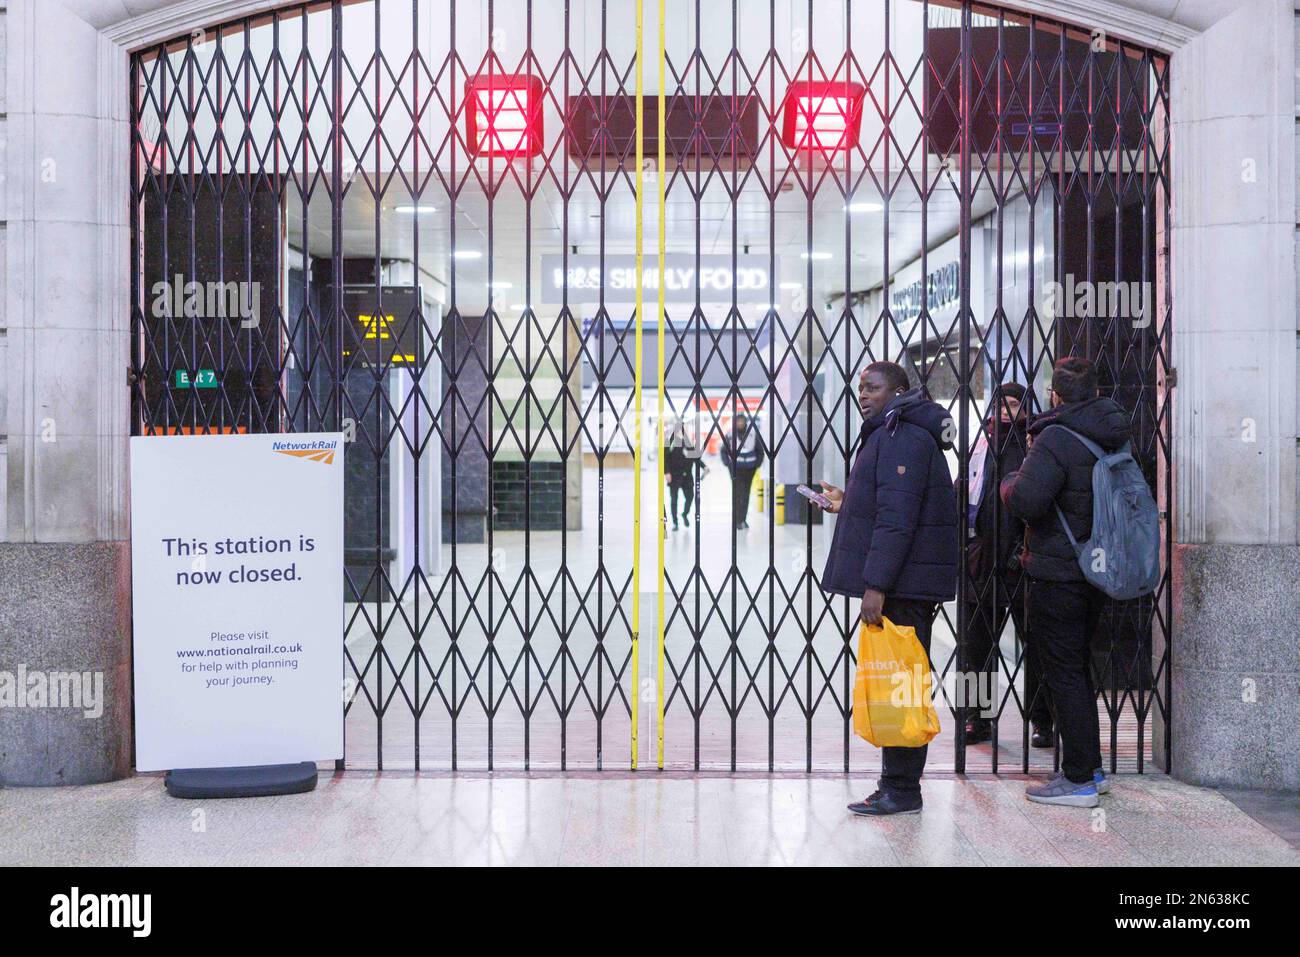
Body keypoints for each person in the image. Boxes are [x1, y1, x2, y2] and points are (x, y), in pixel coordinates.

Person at [817, 362, 959, 816]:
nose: (864, 394)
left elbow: (897, 521)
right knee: (899, 681)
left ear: (899, 390)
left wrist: (875, 586)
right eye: (860, 387)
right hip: (905, 581)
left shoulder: (905, 437)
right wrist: (848, 500)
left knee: (902, 684)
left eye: (873, 387)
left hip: (903, 586)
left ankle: (902, 789)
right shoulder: (893, 433)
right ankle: (895, 784)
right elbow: (887, 503)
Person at [1000, 356, 1131, 808]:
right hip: (1097, 568)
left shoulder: (1055, 437)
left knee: (1063, 673)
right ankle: (1090, 768)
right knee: (1078, 669)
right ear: (1094, 391)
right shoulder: (1113, 432)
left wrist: (1010, 481)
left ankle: (1078, 779)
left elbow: (1027, 500)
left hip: (1059, 571)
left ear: (1055, 394)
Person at [958, 382, 1053, 748]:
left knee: (1037, 645)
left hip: (1021, 562)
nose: (1004, 411)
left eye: (1013, 404)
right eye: (999, 403)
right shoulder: (979, 445)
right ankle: (975, 720)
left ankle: (1043, 720)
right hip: (981, 563)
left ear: (1027, 410)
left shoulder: (1034, 446)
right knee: (975, 646)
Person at [720, 412, 763, 530]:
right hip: (735, 469)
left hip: (749, 469)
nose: (740, 423)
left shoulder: (753, 433)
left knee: (746, 494)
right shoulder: (730, 434)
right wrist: (727, 463)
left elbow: (760, 450)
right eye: (738, 421)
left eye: (742, 421)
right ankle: (737, 520)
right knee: (737, 494)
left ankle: (743, 519)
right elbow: (723, 450)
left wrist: (756, 465)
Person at [663, 420, 705, 530]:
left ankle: (685, 514)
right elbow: (664, 459)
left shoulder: (687, 443)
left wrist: (704, 467)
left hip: (687, 477)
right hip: (674, 476)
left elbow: (695, 457)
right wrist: (666, 472)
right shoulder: (670, 443)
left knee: (690, 497)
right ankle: (675, 523)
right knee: (674, 500)